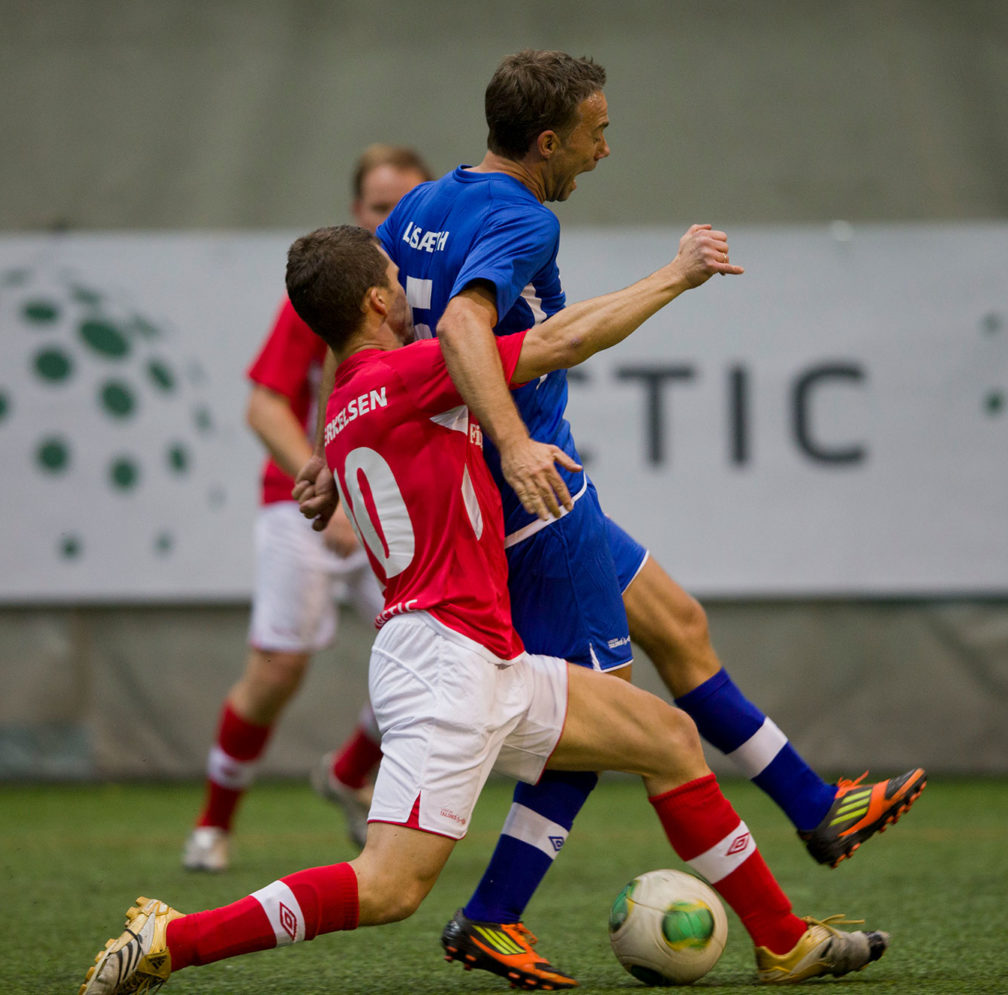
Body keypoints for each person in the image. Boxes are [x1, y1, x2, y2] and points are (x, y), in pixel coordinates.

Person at [78, 224, 890, 995]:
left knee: (670, 737)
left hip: (481, 654)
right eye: (396, 281)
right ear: (373, 305)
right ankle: (171, 939)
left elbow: (364, 430)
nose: (408, 290)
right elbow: (563, 341)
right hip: (443, 665)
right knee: (389, 889)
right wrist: (678, 273)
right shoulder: (411, 372)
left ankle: (784, 940)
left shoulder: (353, 397)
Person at [356, 50, 921, 989]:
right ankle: (499, 914)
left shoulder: (421, 205)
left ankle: (817, 805)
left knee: (677, 624)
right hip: (537, 503)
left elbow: (393, 345)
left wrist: (349, 449)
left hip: (513, 493)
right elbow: (462, 331)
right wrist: (519, 438)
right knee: (615, 717)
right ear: (546, 142)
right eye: (595, 131)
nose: (604, 148)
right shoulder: (522, 216)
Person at [182, 145, 432, 871]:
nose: (393, 219)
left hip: (387, 503)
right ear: (357, 214)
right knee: (279, 667)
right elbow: (264, 406)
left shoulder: (431, 292)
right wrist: (326, 481)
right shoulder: (332, 292)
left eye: (407, 204)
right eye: (380, 206)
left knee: (439, 646)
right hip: (308, 505)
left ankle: (353, 769)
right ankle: (212, 823)